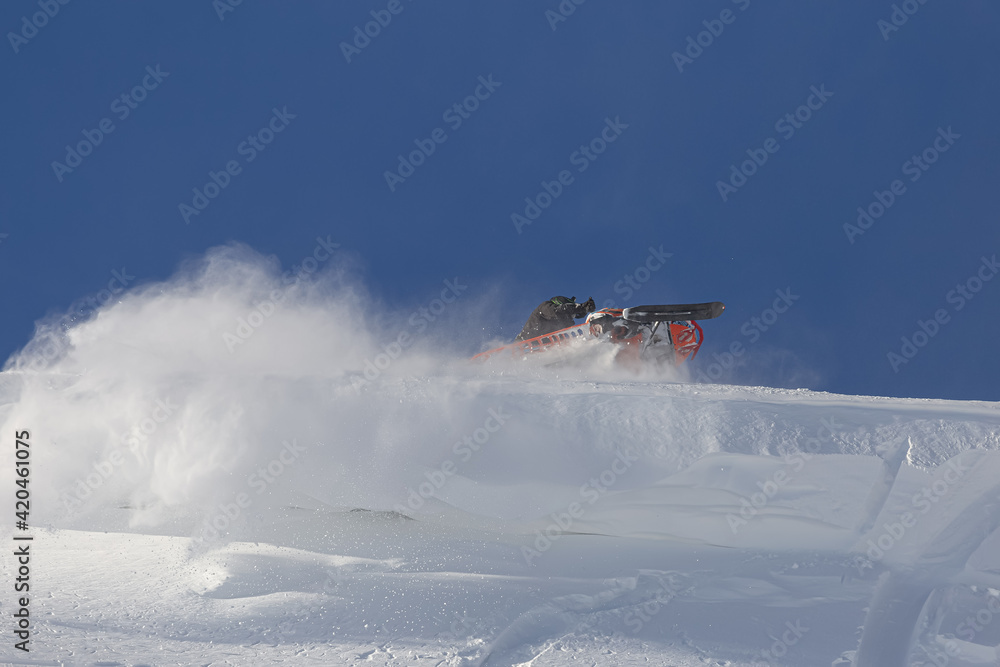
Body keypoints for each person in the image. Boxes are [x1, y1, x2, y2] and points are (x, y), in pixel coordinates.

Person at [515, 296, 596, 341]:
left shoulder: (559, 325)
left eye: (573, 316)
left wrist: (583, 311)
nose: (571, 318)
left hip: (543, 348)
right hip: (525, 341)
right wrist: (580, 308)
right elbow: (557, 311)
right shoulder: (545, 306)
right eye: (571, 315)